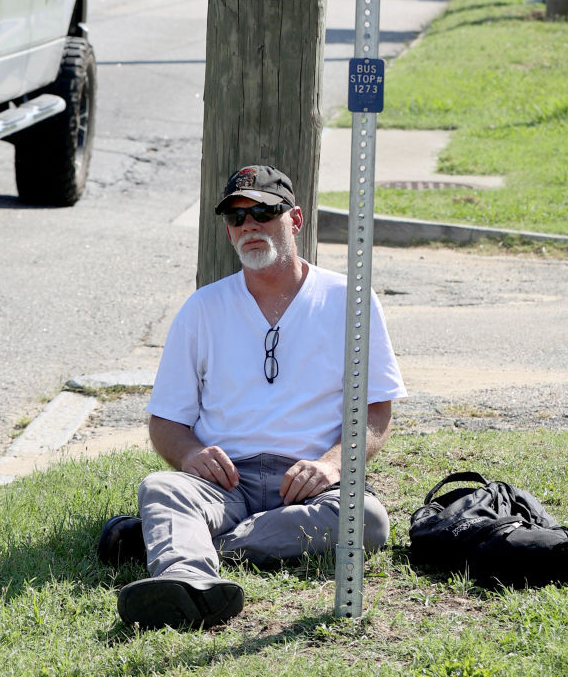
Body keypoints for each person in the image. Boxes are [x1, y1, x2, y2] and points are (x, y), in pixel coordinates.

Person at [100, 163, 406, 632]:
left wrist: (330, 465)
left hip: (308, 486)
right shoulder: (202, 308)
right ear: (228, 232)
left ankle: (192, 544)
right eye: (237, 217)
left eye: (263, 211)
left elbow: (376, 412)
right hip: (226, 484)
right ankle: (187, 581)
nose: (250, 226)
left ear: (295, 219)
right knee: (162, 487)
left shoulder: (350, 300)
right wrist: (190, 453)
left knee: (366, 519)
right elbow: (165, 422)